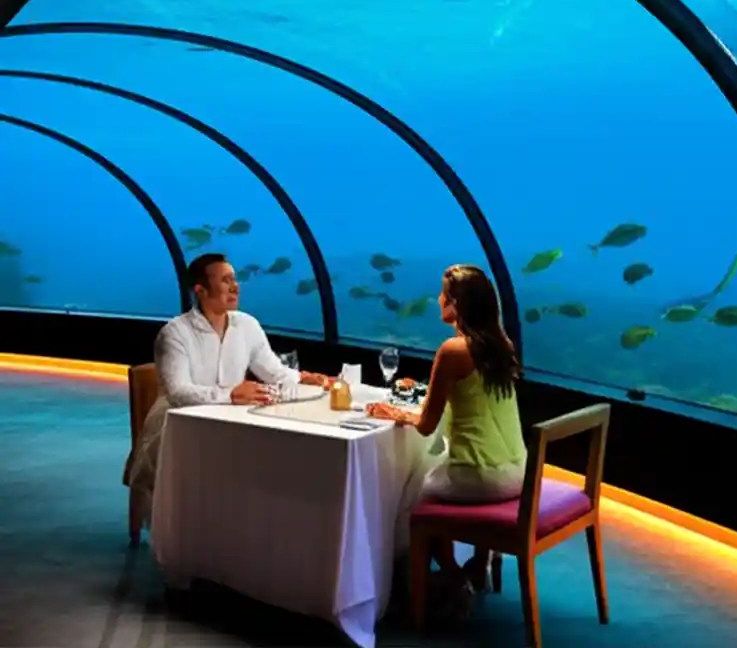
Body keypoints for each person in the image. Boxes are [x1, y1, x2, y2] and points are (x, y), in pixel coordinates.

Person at [366, 264, 526, 608]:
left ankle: (452, 576)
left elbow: (426, 424)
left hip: (480, 475)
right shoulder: (502, 344)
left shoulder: (453, 350)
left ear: (457, 304)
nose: (438, 300)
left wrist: (395, 413)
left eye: (443, 294)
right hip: (516, 472)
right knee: (435, 468)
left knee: (413, 493)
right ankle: (479, 563)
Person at [127, 253, 329, 524]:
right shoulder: (174, 333)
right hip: (177, 425)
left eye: (235, 279)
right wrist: (229, 395)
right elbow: (178, 394)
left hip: (234, 419)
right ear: (200, 290)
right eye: (225, 280)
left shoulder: (247, 325)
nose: (235, 286)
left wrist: (303, 377)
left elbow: (274, 372)